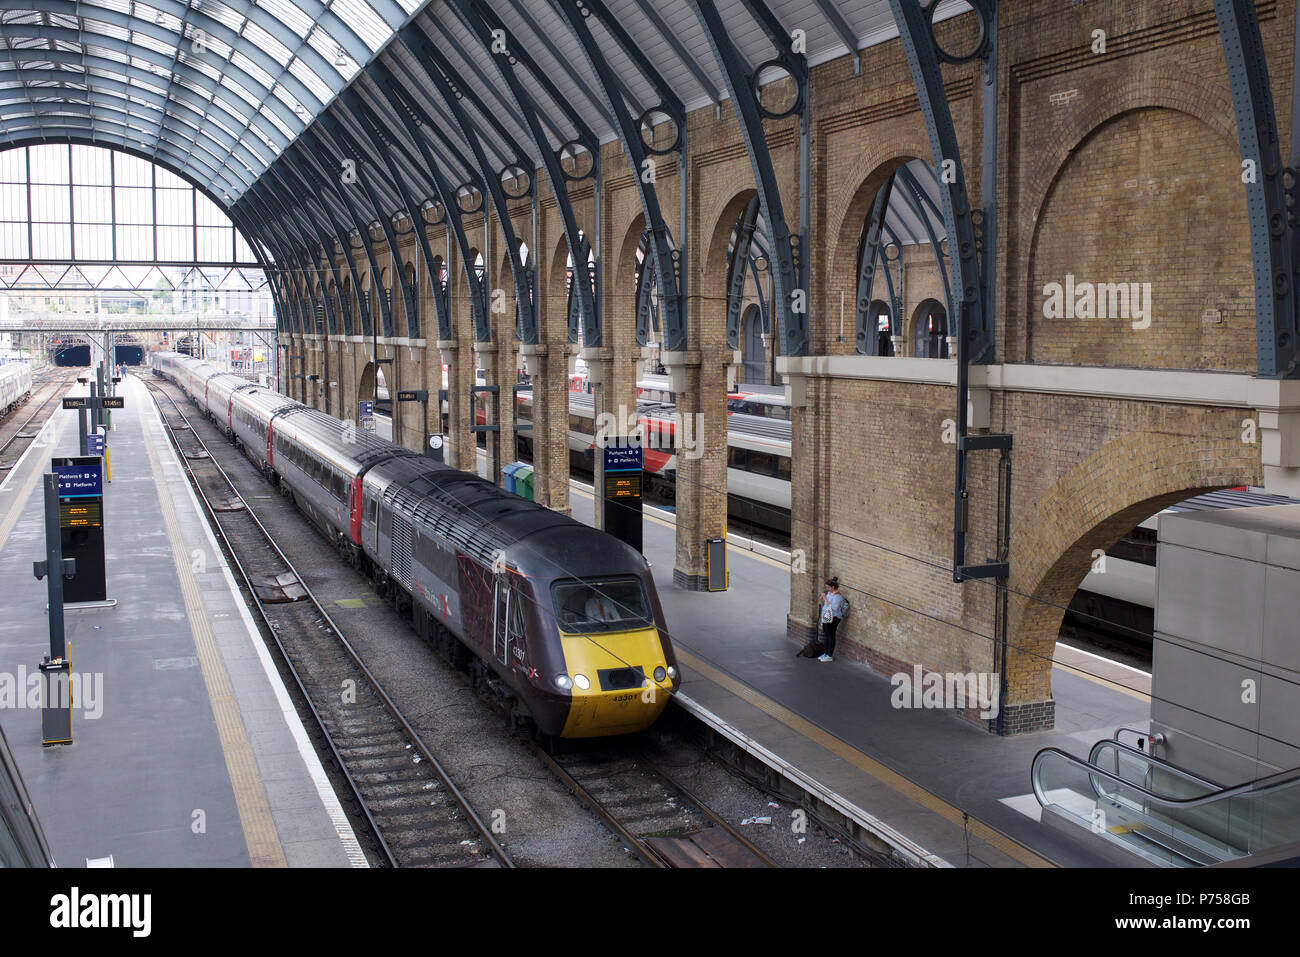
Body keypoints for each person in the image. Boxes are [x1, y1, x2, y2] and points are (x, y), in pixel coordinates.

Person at [816, 577, 846, 662]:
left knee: (831, 636)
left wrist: (825, 598)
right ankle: (825, 653)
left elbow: (834, 608)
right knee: (826, 635)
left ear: (833, 587)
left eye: (828, 587)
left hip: (834, 618)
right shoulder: (829, 593)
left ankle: (829, 655)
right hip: (826, 617)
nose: (827, 589)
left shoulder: (838, 597)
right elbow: (826, 604)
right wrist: (823, 598)